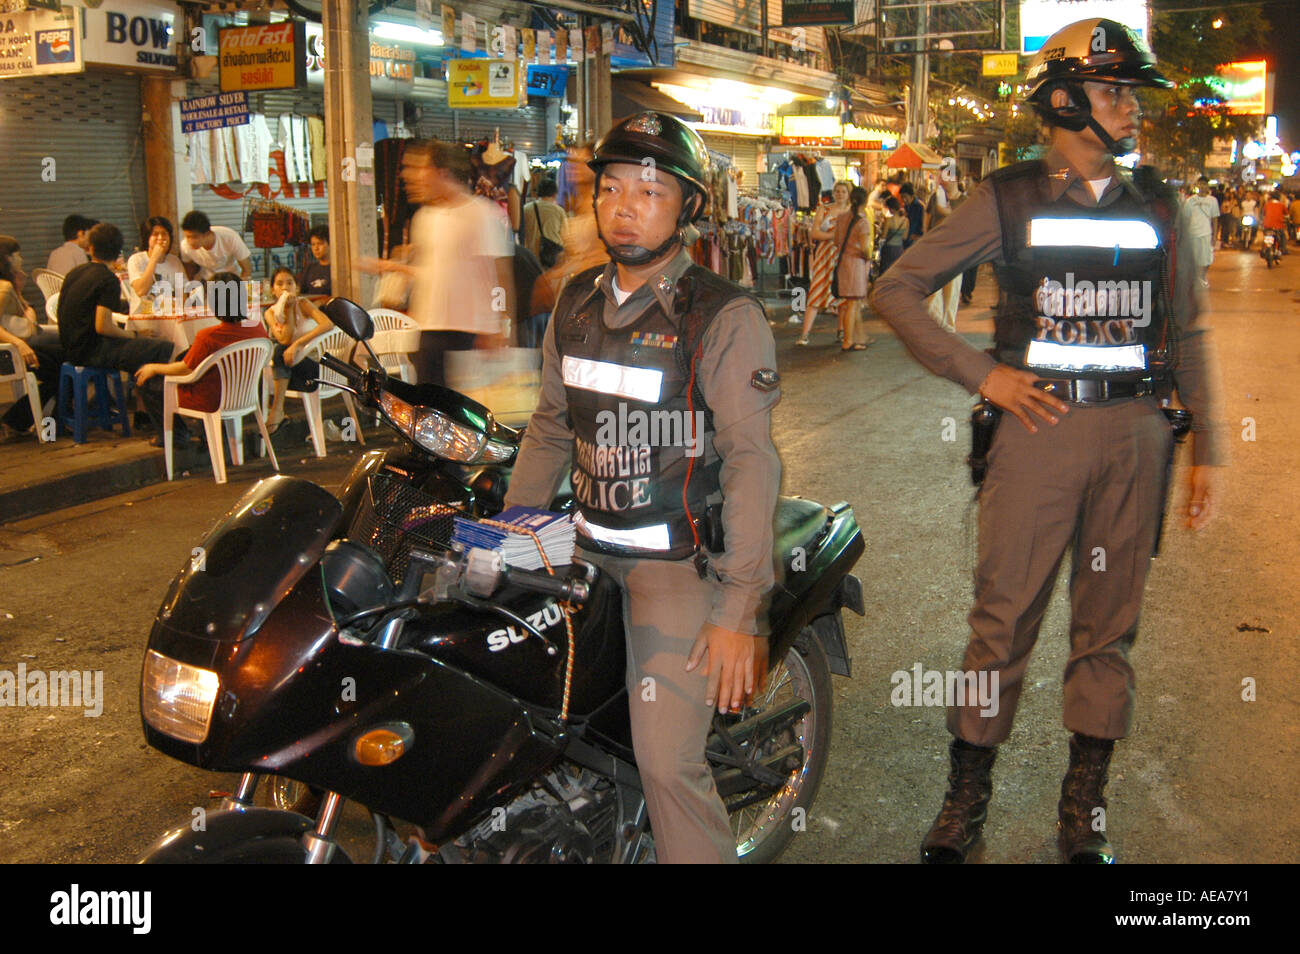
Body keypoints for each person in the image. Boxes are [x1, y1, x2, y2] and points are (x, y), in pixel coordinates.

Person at [872, 17, 1221, 865]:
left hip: (1136, 437)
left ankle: (1082, 813)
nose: (1130, 109)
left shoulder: (1163, 206)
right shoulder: (1009, 197)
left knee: (1109, 632)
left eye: (1131, 94)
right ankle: (965, 804)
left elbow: (1190, 329)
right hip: (1038, 434)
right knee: (1003, 621)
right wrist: (981, 375)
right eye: (1113, 92)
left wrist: (1208, 441)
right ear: (1065, 101)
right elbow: (898, 289)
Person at [503, 111, 781, 863]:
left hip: (672, 567)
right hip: (583, 546)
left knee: (668, 765)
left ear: (688, 207)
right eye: (612, 188)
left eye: (651, 191)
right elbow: (552, 429)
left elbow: (752, 460)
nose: (624, 205)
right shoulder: (576, 302)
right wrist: (508, 535)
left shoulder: (723, 315)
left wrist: (738, 611)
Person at [361, 139, 513, 387]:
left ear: (441, 172)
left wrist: (497, 327)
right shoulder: (424, 217)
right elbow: (434, 273)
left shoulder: (481, 213)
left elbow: (499, 276)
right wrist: (393, 268)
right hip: (428, 332)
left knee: (464, 417)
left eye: (418, 169)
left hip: (468, 335)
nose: (410, 177)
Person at [58, 223, 184, 444]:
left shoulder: (75, 273)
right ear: (118, 253)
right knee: (161, 348)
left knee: (148, 349)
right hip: (91, 350)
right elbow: (102, 326)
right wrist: (134, 337)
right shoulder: (107, 280)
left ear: (90, 249)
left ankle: (161, 424)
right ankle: (172, 430)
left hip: (69, 346)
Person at [133, 272, 268, 420]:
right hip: (244, 396)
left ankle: (179, 437)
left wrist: (153, 367)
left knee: (148, 382)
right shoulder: (258, 329)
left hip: (211, 399)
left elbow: (185, 369)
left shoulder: (208, 336)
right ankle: (208, 437)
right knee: (185, 354)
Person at [263, 267, 333, 431]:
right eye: (279, 284)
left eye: (289, 283)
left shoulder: (303, 304)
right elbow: (285, 338)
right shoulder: (270, 313)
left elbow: (327, 324)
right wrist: (288, 310)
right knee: (277, 354)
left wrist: (298, 344)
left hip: (316, 369)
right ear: (273, 290)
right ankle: (276, 414)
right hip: (295, 372)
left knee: (280, 352)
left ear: (297, 287)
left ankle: (277, 411)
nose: (285, 288)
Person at [798, 181, 850, 346]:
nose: (840, 194)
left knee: (843, 295)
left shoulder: (852, 211)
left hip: (843, 255)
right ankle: (805, 334)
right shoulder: (824, 209)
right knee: (816, 291)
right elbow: (814, 233)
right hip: (825, 254)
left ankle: (841, 331)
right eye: (838, 191)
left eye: (843, 191)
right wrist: (833, 236)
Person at [830, 186, 874, 351]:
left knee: (851, 303)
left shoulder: (841, 218)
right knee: (853, 304)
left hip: (842, 263)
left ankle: (859, 337)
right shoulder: (862, 222)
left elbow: (836, 241)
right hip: (855, 264)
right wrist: (868, 256)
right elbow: (864, 248)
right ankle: (848, 341)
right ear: (865, 201)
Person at [126, 217, 186, 314]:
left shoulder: (174, 261)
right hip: (143, 320)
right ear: (147, 238)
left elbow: (182, 296)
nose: (160, 238)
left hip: (169, 319)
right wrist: (154, 258)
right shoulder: (136, 260)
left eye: (164, 234)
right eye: (155, 234)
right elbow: (141, 291)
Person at [178, 211, 252, 282]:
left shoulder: (229, 237)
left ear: (207, 234)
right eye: (187, 237)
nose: (190, 241)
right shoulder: (185, 246)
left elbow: (246, 269)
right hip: (208, 280)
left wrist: (242, 290)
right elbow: (188, 270)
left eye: (195, 237)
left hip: (232, 278)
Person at [522, 177, 566, 268]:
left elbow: (522, 234)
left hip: (531, 258)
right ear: (555, 194)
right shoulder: (558, 211)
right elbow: (566, 235)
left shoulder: (526, 209)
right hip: (554, 257)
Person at [1184, 177, 1220, 279]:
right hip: (1193, 234)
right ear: (1197, 185)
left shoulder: (1213, 201)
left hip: (1206, 234)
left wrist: (1215, 236)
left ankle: (1202, 276)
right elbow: (1186, 218)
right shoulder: (1190, 201)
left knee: (1207, 259)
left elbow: (1215, 219)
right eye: (1201, 184)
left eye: (1205, 184)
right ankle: (1194, 278)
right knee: (1194, 258)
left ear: (1208, 186)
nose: (1203, 186)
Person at [297, 225, 332, 298]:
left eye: (320, 243)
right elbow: (301, 292)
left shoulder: (336, 270)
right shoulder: (309, 268)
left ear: (330, 244)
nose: (316, 248)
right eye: (313, 244)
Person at [877, 196, 909, 274]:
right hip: (899, 249)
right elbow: (904, 237)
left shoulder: (889, 220)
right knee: (896, 272)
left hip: (889, 248)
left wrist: (878, 230)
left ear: (891, 208)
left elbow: (883, 236)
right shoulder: (906, 220)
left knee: (885, 271)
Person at [1261, 190, 1288, 254]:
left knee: (1266, 236)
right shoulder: (1281, 205)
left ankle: (1264, 248)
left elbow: (1263, 214)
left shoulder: (1267, 205)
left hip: (1267, 225)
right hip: (1278, 226)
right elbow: (1287, 215)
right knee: (1283, 237)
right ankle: (1283, 249)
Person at [900, 181, 924, 249]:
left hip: (914, 241)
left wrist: (919, 236)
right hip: (906, 240)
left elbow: (923, 224)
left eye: (905, 197)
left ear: (912, 196)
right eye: (902, 197)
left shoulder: (919, 207)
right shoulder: (906, 206)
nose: (903, 200)